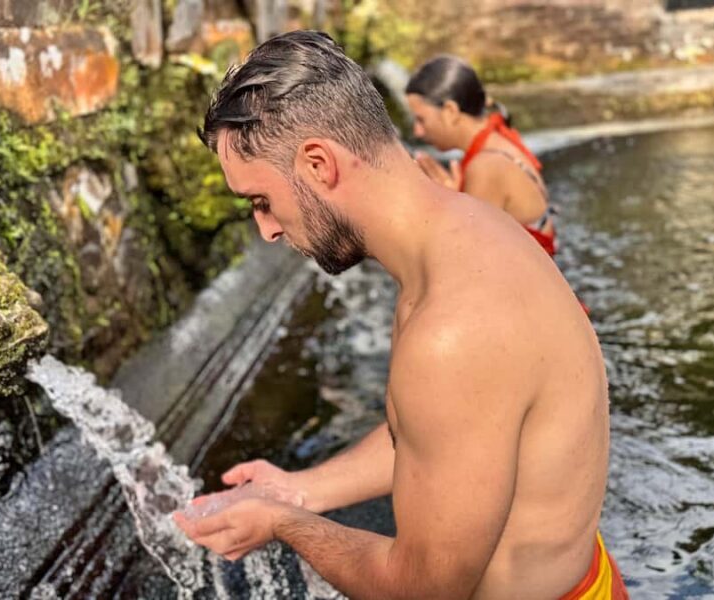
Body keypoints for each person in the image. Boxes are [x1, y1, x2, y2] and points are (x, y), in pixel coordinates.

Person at [174, 31, 628, 599]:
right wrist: (296, 490)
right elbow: (432, 436)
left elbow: (422, 590)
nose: (265, 230)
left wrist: (284, 524)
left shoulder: (453, 328)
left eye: (261, 201)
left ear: (319, 164)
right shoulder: (465, 235)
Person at [406, 56, 556, 256]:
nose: (417, 131)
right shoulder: (496, 138)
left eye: (421, 119)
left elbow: (466, 257)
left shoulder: (486, 166)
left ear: (450, 111)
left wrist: (448, 205)